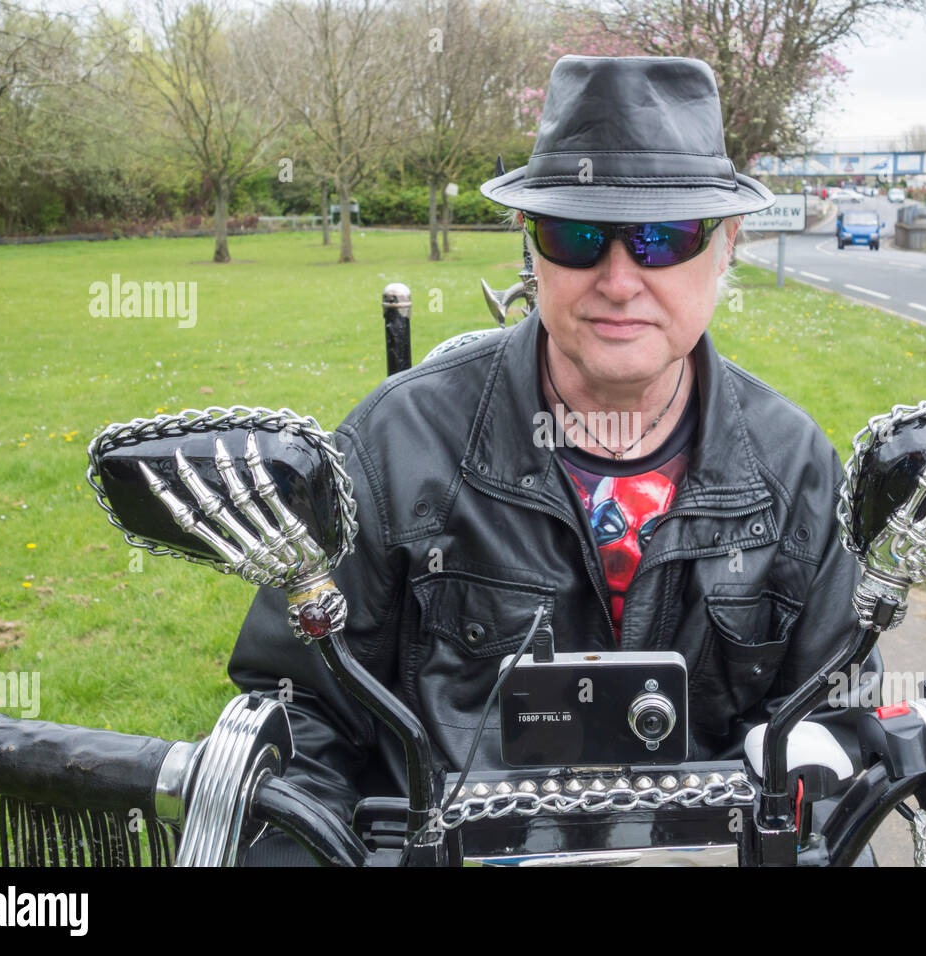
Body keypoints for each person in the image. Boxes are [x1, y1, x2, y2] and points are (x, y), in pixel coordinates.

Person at [230, 54, 871, 865]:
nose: (617, 279)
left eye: (660, 238)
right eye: (576, 235)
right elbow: (294, 713)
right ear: (530, 247)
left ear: (726, 246)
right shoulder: (398, 444)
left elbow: (840, 710)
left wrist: (807, 779)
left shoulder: (796, 470)